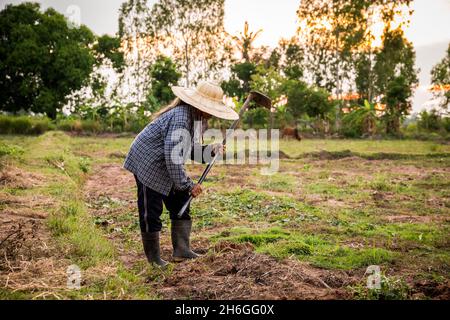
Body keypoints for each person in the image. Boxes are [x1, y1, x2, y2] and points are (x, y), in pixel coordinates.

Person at [123, 81, 239, 267]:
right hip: (148, 163)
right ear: (200, 105)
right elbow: (173, 158)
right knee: (151, 211)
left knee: (180, 201)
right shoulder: (181, 118)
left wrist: (210, 151)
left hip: (165, 163)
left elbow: (189, 150)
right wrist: (188, 185)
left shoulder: (194, 119)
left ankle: (182, 251)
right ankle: (154, 260)